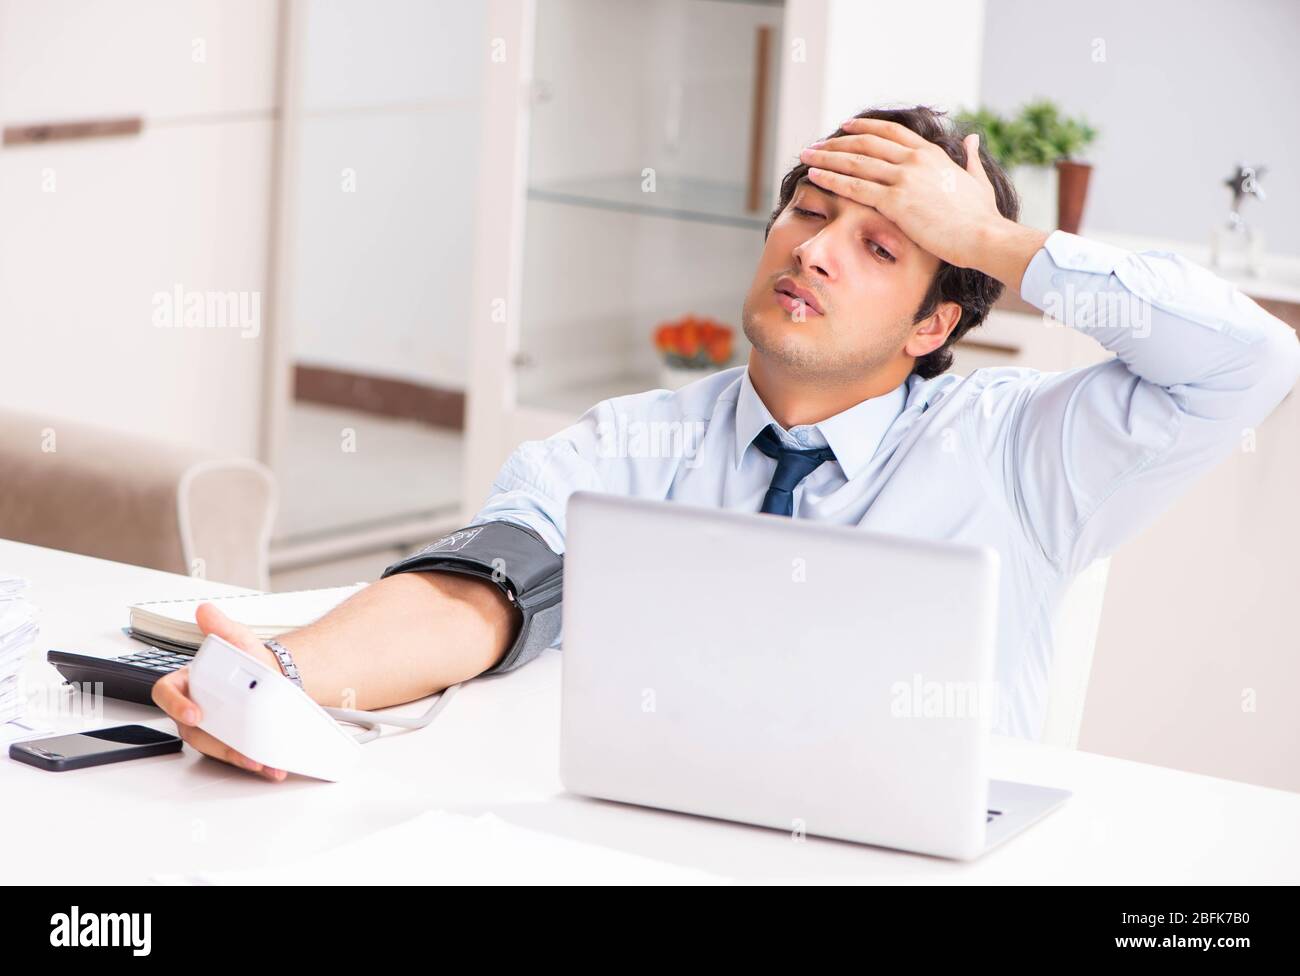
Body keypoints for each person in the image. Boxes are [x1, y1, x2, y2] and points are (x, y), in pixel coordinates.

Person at [153, 105, 1300, 779]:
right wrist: (283, 686)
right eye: (806, 213)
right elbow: (482, 589)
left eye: (881, 246)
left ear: (935, 322)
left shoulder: (1026, 453)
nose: (813, 252)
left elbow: (1249, 362)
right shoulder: (627, 443)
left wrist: (990, 234)